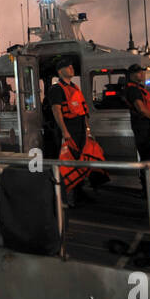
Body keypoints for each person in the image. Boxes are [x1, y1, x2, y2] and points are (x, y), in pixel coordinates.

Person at [46, 55, 107, 206]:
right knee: (67, 163)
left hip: (80, 130)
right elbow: (57, 111)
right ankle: (66, 198)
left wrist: (87, 129)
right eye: (68, 66)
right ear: (60, 72)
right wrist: (65, 132)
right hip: (68, 130)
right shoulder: (56, 89)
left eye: (72, 66)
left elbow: (82, 111)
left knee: (81, 161)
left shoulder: (74, 88)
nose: (72, 68)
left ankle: (79, 193)